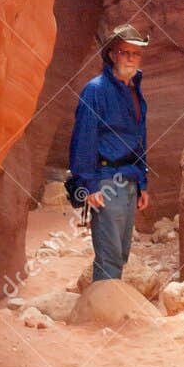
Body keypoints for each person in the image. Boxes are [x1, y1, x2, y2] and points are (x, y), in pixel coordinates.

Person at [67, 23, 150, 282]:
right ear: (112, 55)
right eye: (125, 52)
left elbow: (140, 138)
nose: (130, 58)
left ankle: (107, 306)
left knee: (122, 249)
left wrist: (142, 183)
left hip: (129, 179)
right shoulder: (95, 90)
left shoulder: (134, 90)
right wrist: (89, 185)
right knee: (109, 253)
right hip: (105, 180)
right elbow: (84, 140)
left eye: (135, 53)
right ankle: (102, 313)